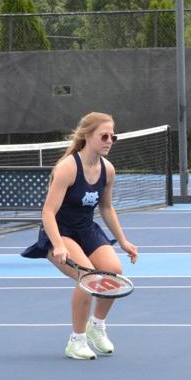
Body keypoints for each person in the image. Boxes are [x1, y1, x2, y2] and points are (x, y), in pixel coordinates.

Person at [21, 112, 138, 360]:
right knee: (88, 277)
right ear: (87, 136)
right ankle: (76, 340)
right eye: (103, 136)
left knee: (113, 270)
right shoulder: (68, 168)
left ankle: (96, 326)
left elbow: (106, 208)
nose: (109, 141)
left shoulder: (108, 169)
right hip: (60, 231)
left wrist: (124, 240)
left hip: (86, 229)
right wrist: (58, 245)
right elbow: (48, 212)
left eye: (112, 137)